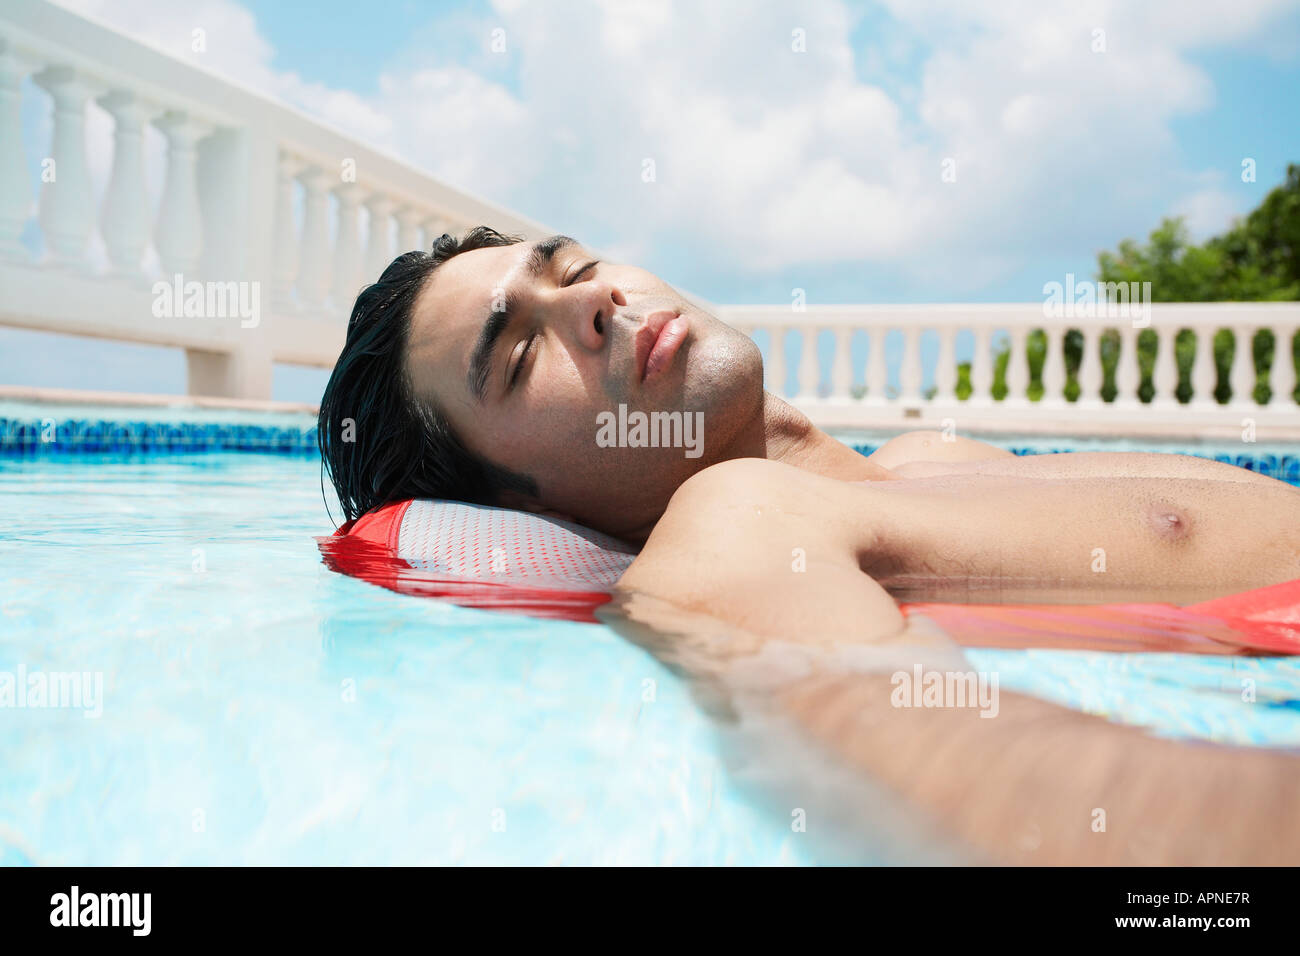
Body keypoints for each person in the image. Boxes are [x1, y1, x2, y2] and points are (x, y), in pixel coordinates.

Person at [320, 227, 1300, 864]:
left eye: (572, 267)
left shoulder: (928, 456)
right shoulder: (736, 530)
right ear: (510, 499)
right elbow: (983, 783)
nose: (593, 303)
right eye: (522, 351)